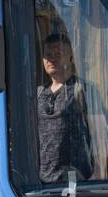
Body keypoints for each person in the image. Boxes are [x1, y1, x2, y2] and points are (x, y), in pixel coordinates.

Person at [36, 33, 93, 184]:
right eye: (48, 54)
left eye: (58, 53)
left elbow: (97, 132)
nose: (52, 59)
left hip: (74, 180)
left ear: (70, 57)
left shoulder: (82, 90)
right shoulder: (39, 93)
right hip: (42, 180)